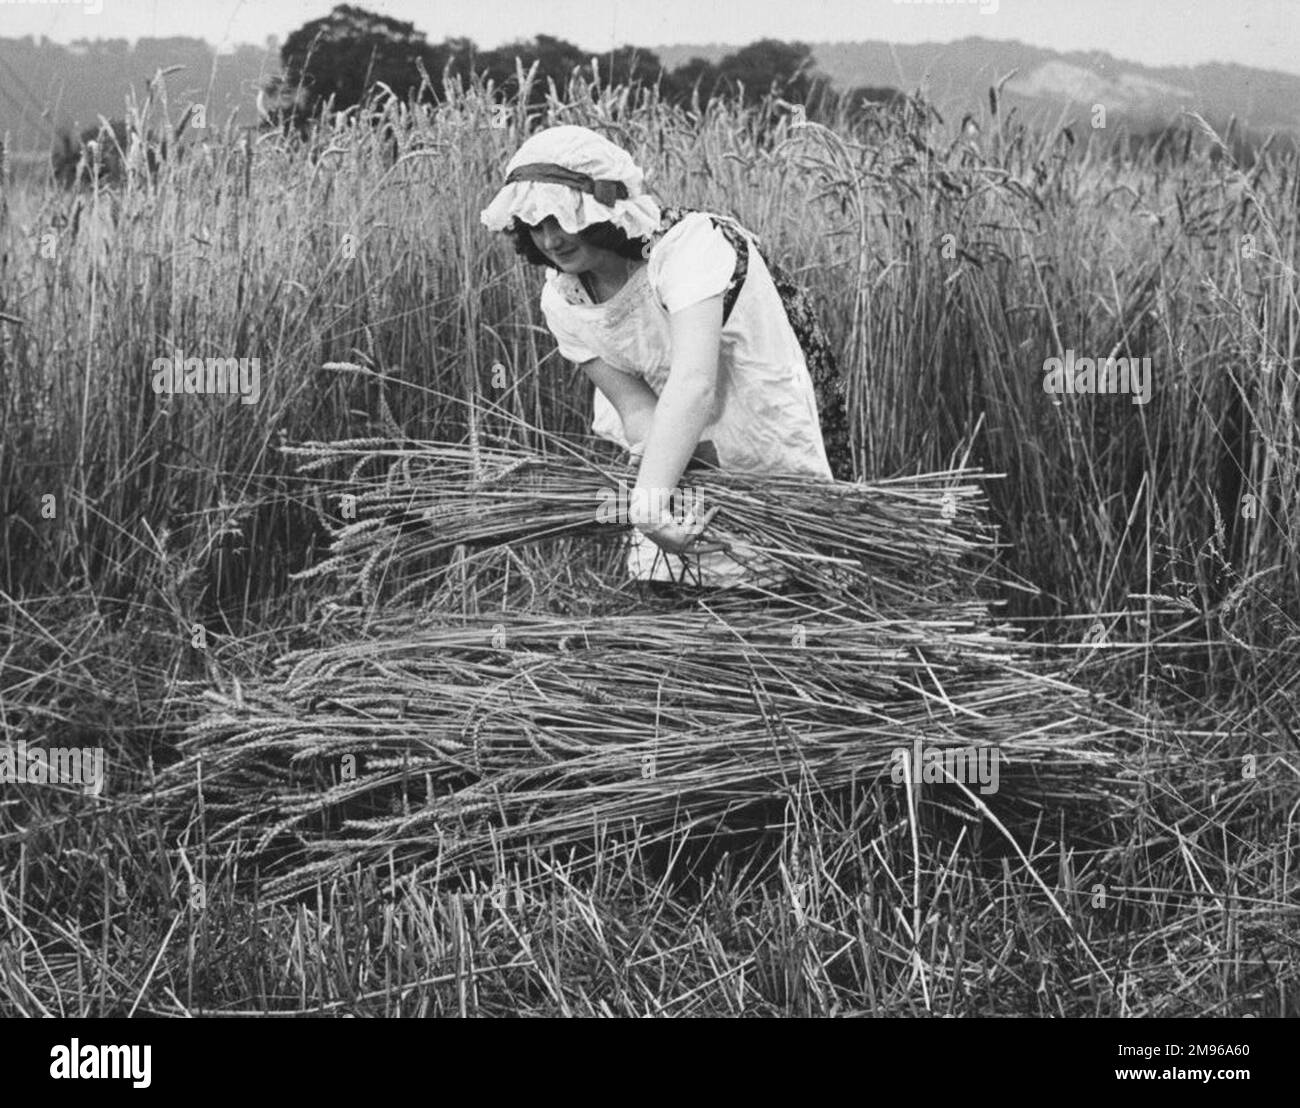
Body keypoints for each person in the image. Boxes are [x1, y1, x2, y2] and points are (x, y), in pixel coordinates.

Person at [480, 124, 850, 589]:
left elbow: (695, 382)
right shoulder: (564, 300)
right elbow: (634, 405)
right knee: (680, 579)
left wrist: (648, 501)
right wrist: (665, 472)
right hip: (678, 437)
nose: (550, 240)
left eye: (562, 219)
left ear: (602, 211)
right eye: (535, 225)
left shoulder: (687, 247)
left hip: (752, 403)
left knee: (781, 572)